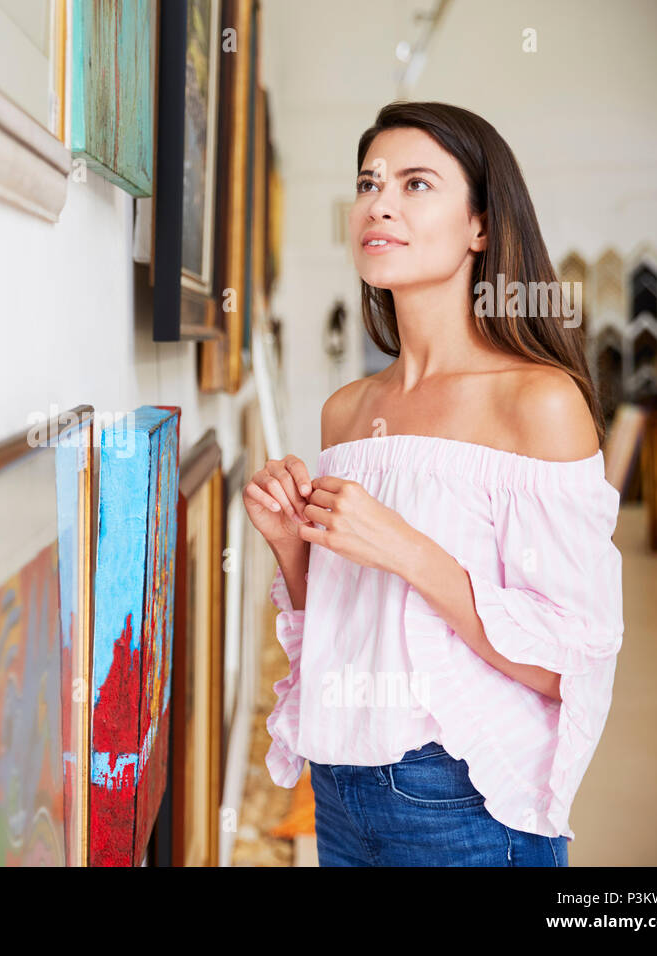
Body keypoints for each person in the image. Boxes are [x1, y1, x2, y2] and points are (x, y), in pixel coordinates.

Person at [244, 101, 625, 867]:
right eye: (368, 182)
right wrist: (293, 548)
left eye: (416, 183)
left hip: (462, 799)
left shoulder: (538, 402)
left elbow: (569, 663)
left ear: (481, 227)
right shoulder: (347, 412)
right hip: (339, 786)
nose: (378, 202)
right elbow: (348, 624)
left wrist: (412, 551)